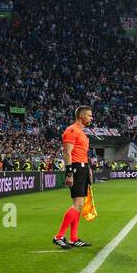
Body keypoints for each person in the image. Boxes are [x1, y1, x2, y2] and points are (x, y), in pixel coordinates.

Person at [53, 107, 94, 249]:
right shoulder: (72, 130)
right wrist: (69, 173)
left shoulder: (81, 132)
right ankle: (59, 236)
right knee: (77, 205)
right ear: (81, 116)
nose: (91, 118)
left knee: (80, 205)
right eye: (89, 115)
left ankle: (73, 238)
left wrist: (88, 169)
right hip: (75, 168)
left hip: (82, 168)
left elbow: (82, 153)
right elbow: (67, 153)